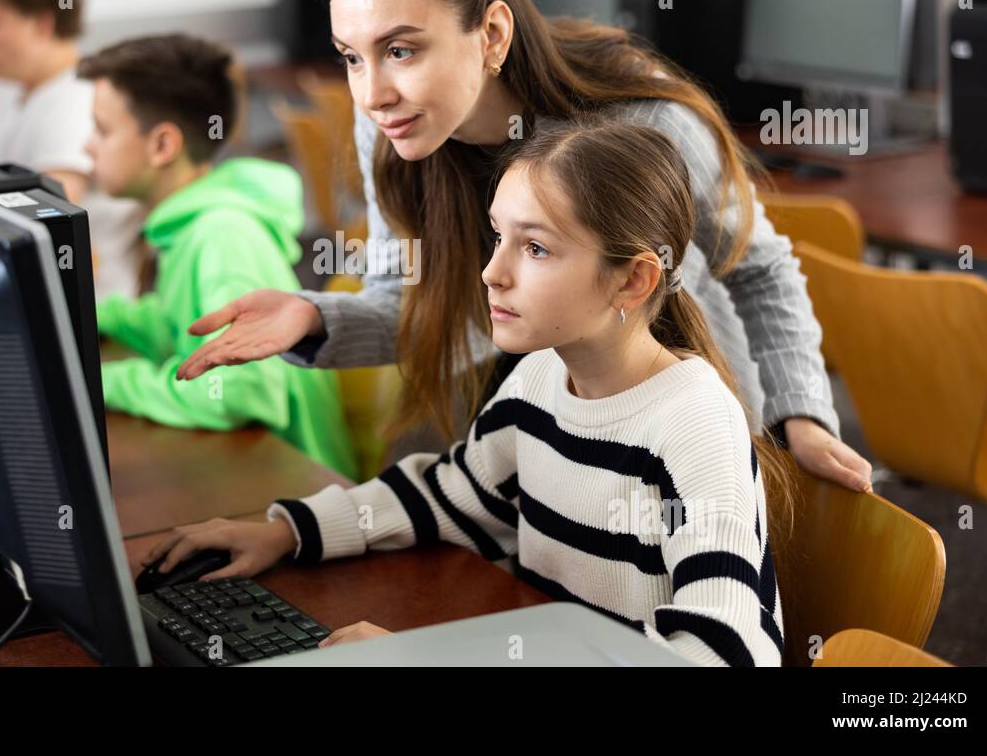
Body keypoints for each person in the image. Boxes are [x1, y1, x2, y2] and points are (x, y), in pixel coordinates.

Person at [176, 0, 872, 493]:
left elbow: (760, 270)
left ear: (493, 34)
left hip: (684, 422)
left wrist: (800, 416)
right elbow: (411, 303)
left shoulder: (644, 124)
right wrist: (311, 316)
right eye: (352, 57)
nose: (372, 91)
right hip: (542, 404)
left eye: (402, 50)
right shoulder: (393, 129)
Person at [145, 119, 792, 666]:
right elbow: (452, 493)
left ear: (633, 281)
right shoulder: (542, 375)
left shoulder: (693, 422)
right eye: (498, 235)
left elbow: (727, 652)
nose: (492, 271)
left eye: (535, 248)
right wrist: (286, 532)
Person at [79, 35, 356, 476]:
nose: (87, 146)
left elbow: (240, 394)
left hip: (293, 486)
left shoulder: (221, 236)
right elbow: (180, 321)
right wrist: (94, 317)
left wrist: (103, 383)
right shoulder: (190, 226)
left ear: (162, 146)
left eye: (103, 130)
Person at [0, 0, 143, 299]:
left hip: (88, 306)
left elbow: (44, 216)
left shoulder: (80, 98)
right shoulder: (16, 97)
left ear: (42, 23)